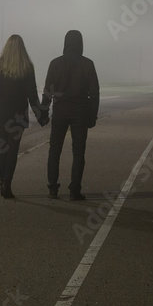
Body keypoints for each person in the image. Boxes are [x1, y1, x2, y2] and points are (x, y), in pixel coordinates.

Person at [41, 29, 99, 200]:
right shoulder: (87, 64)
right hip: (80, 111)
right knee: (78, 152)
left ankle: (52, 187)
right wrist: (92, 116)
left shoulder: (55, 63)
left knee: (55, 150)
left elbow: (47, 91)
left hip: (60, 111)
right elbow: (95, 93)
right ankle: (75, 190)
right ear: (81, 43)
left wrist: (44, 112)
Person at [0, 34, 42, 199]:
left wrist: (0, 96)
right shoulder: (27, 67)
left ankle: (1, 180)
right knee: (13, 150)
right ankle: (7, 183)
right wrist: (41, 115)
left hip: (1, 112)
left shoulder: (0, 65)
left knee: (3, 148)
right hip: (18, 114)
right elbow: (32, 95)